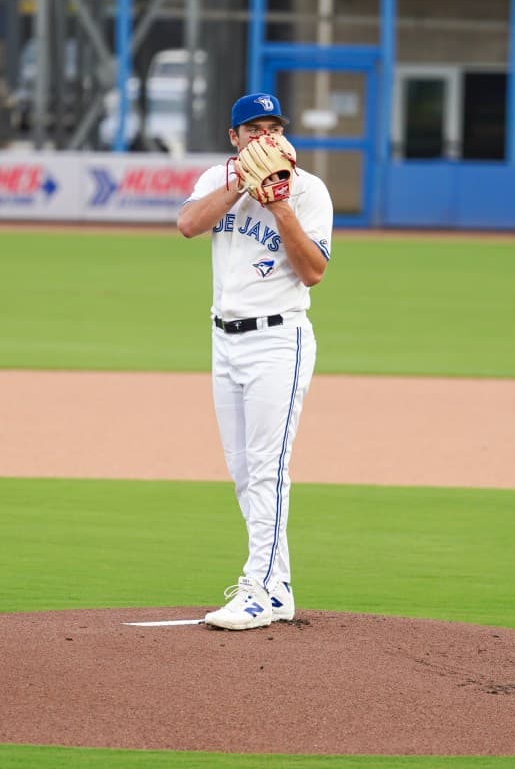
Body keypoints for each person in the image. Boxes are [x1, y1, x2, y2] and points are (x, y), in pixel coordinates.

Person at [176, 92, 334, 631]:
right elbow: (188, 224)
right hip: (224, 341)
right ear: (235, 138)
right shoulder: (216, 179)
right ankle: (278, 586)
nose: (266, 137)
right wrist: (243, 183)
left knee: (268, 469)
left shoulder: (309, 190)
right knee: (244, 473)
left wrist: (280, 206)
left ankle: (259, 590)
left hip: (278, 341)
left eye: (274, 128)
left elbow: (313, 272)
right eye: (254, 130)